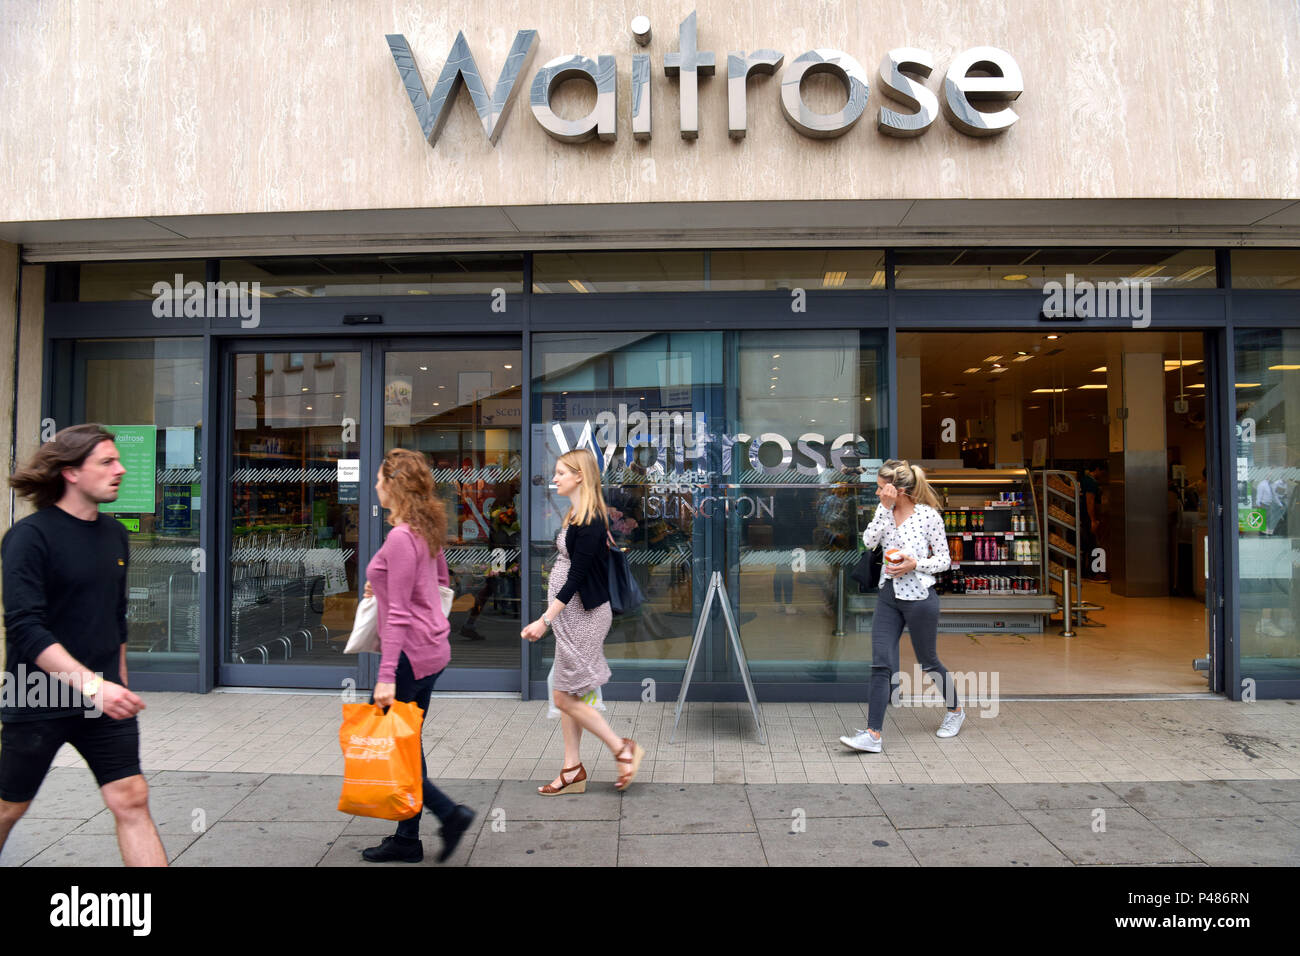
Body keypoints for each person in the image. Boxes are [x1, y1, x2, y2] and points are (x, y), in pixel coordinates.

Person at [0, 424, 165, 866]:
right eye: (107, 462)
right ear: (71, 472)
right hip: (37, 696)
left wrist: (118, 682)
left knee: (131, 797)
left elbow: (116, 615)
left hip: (102, 700)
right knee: (9, 807)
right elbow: (24, 628)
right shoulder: (30, 538)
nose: (122, 469)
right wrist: (93, 686)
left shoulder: (114, 534)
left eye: (118, 460)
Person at [359, 448, 475, 863]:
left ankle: (450, 813)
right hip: (432, 652)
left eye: (379, 480)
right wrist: (386, 584)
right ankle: (407, 839)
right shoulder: (424, 530)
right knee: (407, 743)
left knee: (396, 747)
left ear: (394, 485)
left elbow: (399, 615)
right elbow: (440, 583)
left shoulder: (401, 536)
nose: (375, 486)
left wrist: (386, 674)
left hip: (408, 656)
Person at [521, 449, 644, 794]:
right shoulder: (577, 514)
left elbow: (575, 577)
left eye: (561, 472)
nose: (555, 477)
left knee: (563, 696)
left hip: (584, 617)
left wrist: (544, 620)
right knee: (570, 692)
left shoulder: (590, 519)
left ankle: (622, 748)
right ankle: (571, 769)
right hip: (573, 617)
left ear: (580, 476)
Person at [840, 459, 964, 753]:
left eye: (882, 488)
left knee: (929, 662)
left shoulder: (928, 516)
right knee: (880, 664)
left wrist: (915, 563)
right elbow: (869, 542)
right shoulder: (883, 512)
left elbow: (944, 560)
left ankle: (956, 711)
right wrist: (883, 509)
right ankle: (873, 734)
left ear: (899, 490)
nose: (878, 493)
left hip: (920, 598)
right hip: (888, 596)